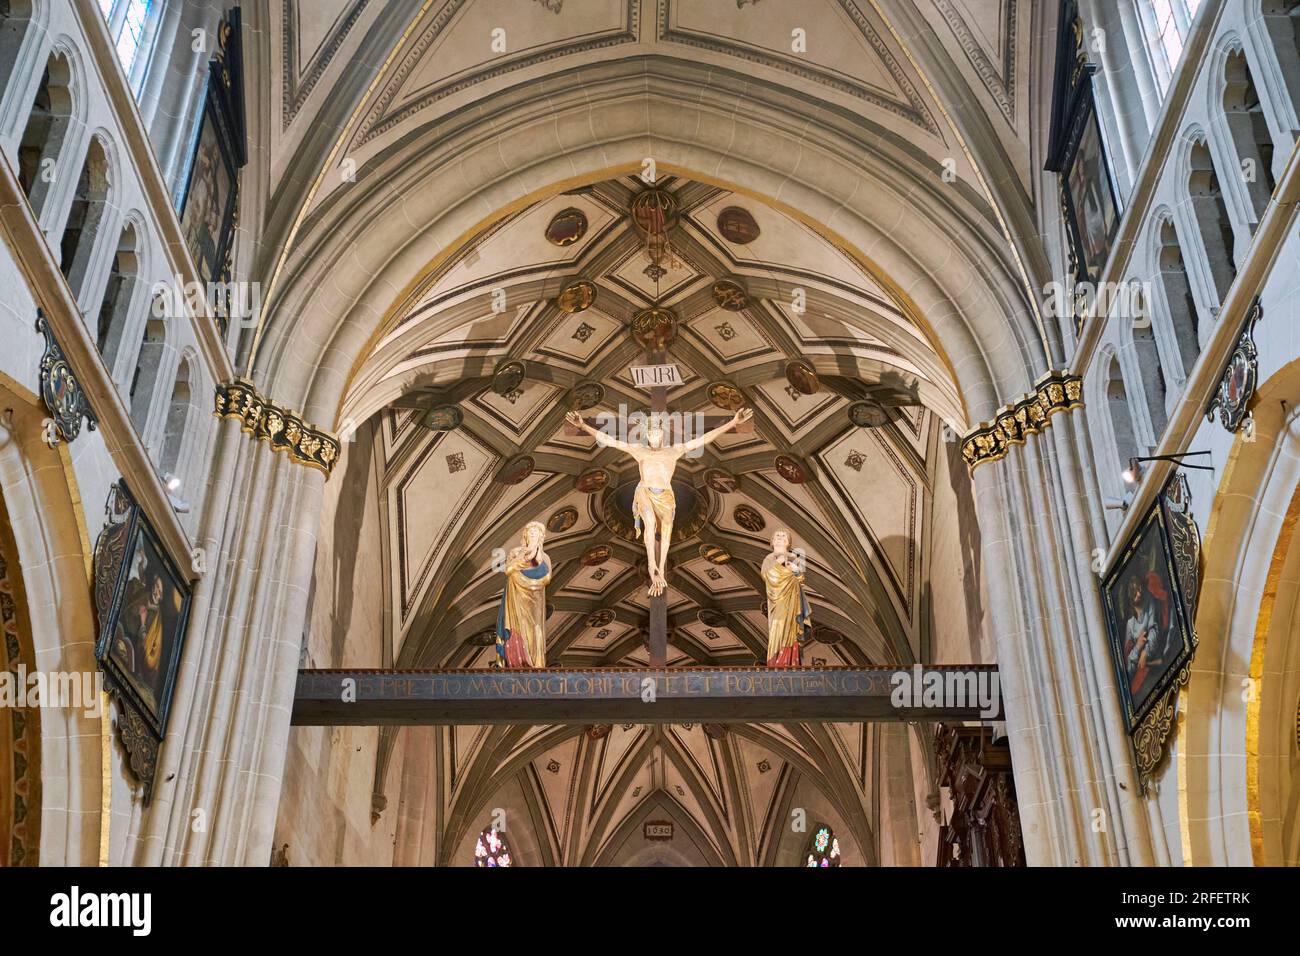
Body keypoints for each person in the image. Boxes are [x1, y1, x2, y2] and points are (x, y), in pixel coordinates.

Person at [566, 407, 753, 595]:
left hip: (666, 496)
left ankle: (660, 568)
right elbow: (610, 441)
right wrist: (583, 426)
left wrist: (733, 423)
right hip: (646, 492)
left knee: (666, 531)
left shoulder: (674, 451)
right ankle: (651, 565)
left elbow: (703, 439)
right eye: (649, 433)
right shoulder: (639, 451)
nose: (653, 436)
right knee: (649, 526)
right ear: (646, 435)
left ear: (662, 434)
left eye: (655, 432)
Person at [495, 521, 551, 668]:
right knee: (517, 626)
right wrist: (525, 559)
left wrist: (536, 561)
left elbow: (547, 578)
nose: (533, 533)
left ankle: (536, 663)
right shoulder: (515, 552)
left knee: (535, 628)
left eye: (536, 532)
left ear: (541, 537)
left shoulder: (545, 557)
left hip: (535, 600)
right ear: (525, 535)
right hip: (516, 597)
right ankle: (517, 661)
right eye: (530, 531)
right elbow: (508, 570)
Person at [763, 529, 811, 667]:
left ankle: (790, 660)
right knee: (778, 626)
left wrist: (796, 571)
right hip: (777, 599)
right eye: (777, 535)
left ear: (788, 542)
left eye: (784, 536)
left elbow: (801, 579)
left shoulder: (795, 557)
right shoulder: (769, 558)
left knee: (791, 628)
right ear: (772, 541)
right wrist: (780, 562)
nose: (780, 537)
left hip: (793, 598)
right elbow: (767, 576)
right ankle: (777, 660)